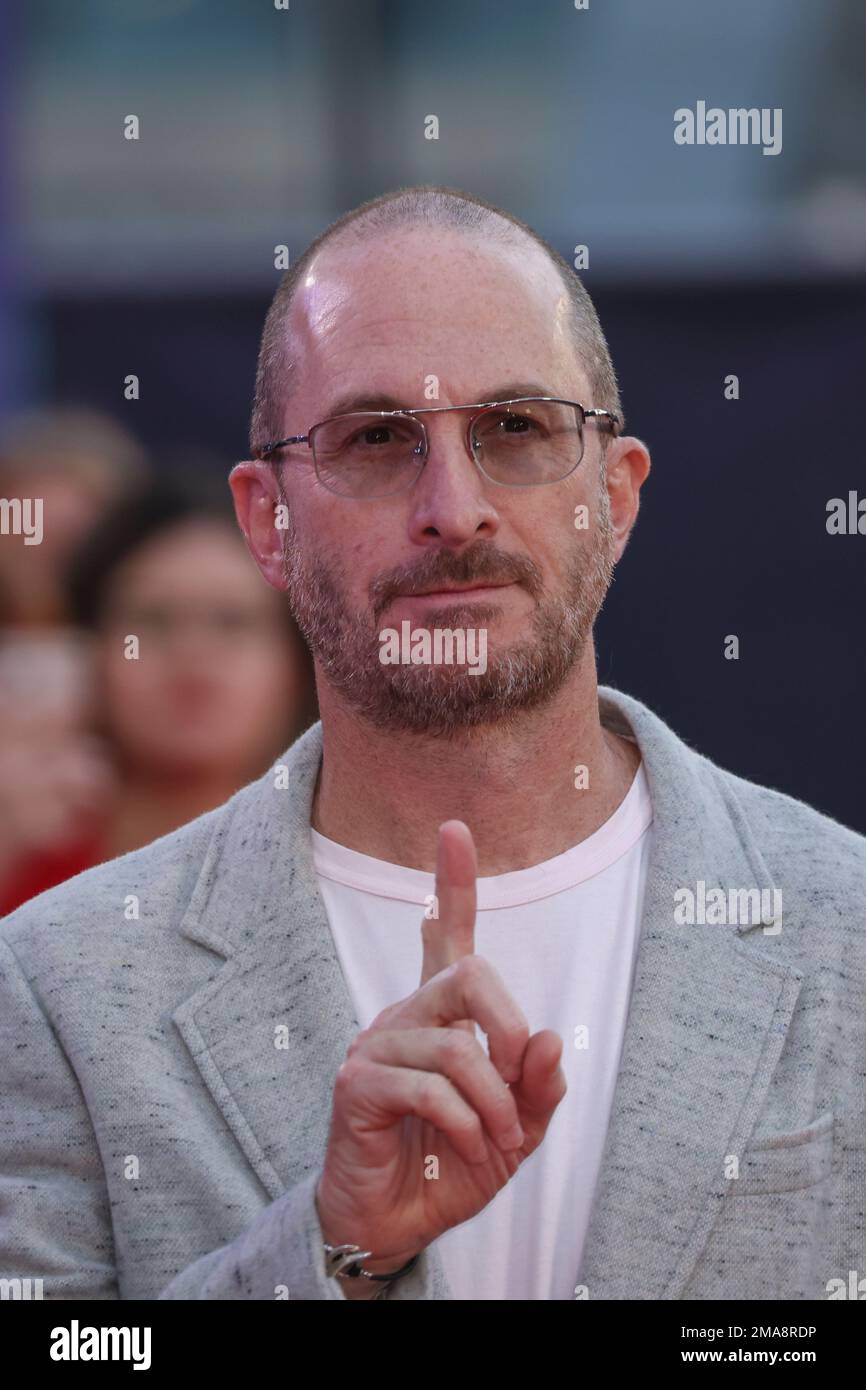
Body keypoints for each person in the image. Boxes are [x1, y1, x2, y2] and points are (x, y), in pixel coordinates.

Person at [1, 185, 863, 1302]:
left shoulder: (844, 932)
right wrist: (327, 1254)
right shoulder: (59, 983)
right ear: (267, 519)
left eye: (514, 428)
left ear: (616, 492)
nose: (452, 508)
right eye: (373, 439)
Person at [0, 474, 318, 914]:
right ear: (89, 652)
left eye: (232, 622)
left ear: (297, 667)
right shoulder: (19, 875)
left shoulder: (349, 884)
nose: (193, 655)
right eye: (153, 621)